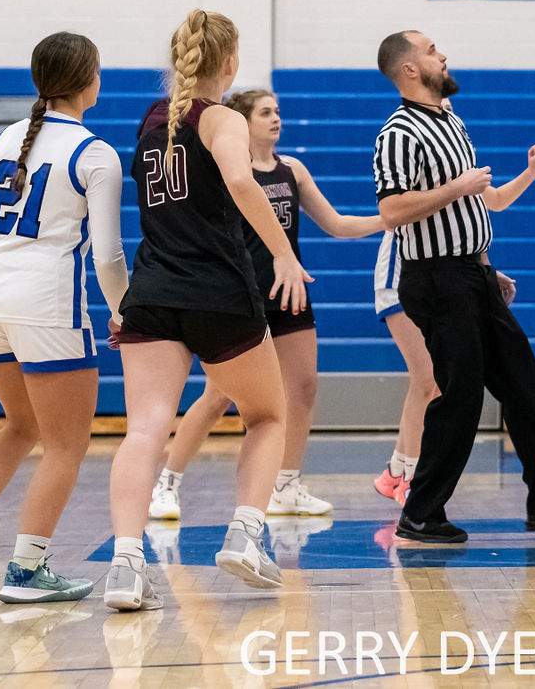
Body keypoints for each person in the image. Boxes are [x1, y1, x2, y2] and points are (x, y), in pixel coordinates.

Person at [103, 10, 312, 611]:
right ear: (230, 62)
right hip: (218, 293)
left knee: (145, 430)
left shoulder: (152, 121)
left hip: (152, 292)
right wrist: (283, 254)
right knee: (267, 416)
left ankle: (126, 564)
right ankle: (245, 535)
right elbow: (242, 184)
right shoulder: (221, 117)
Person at [372, 30, 535, 542]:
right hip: (436, 280)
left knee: (524, 387)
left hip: (471, 274)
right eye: (431, 51)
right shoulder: (398, 133)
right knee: (459, 397)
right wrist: (457, 187)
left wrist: (483, 264)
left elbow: (479, 204)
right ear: (410, 69)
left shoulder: (451, 121)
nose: (443, 55)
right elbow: (391, 210)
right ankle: (420, 513)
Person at [0, 32, 128, 604]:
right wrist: (124, 312)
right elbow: (109, 256)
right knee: (66, 444)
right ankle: (27, 569)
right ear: (88, 80)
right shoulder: (95, 153)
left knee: (20, 427)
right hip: (46, 305)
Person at [149, 89, 385, 520]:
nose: (276, 118)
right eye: (265, 112)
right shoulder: (227, 167)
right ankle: (167, 483)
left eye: (277, 111)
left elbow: (336, 223)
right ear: (243, 121)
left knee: (304, 388)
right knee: (217, 396)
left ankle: (286, 485)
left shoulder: (292, 170)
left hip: (289, 292)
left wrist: (392, 218)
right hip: (243, 294)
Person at [372, 106, 535, 507]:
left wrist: (530, 172)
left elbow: (495, 202)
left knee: (430, 380)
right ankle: (408, 476)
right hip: (404, 276)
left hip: (448, 277)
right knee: (429, 379)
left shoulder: (461, 172)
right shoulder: (411, 158)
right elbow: (405, 218)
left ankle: (397, 471)